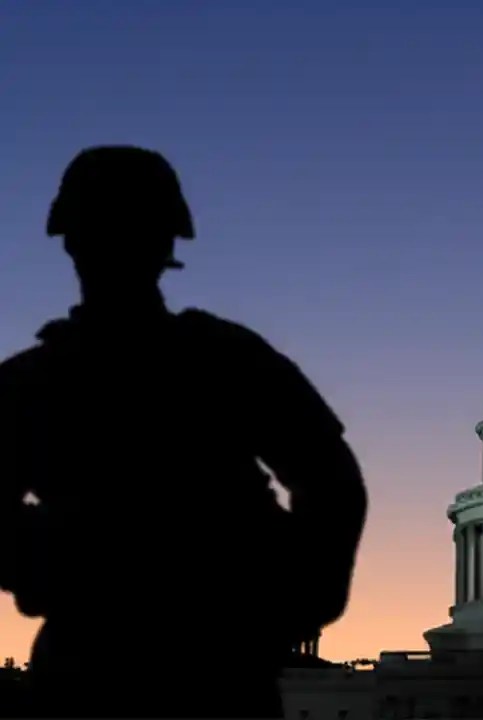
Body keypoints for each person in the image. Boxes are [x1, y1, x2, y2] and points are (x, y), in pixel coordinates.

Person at [0, 146, 368, 718]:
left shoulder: (30, 381)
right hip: (180, 659)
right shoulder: (228, 358)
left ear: (67, 240)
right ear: (171, 241)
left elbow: (333, 482)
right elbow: (333, 483)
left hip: (157, 657)